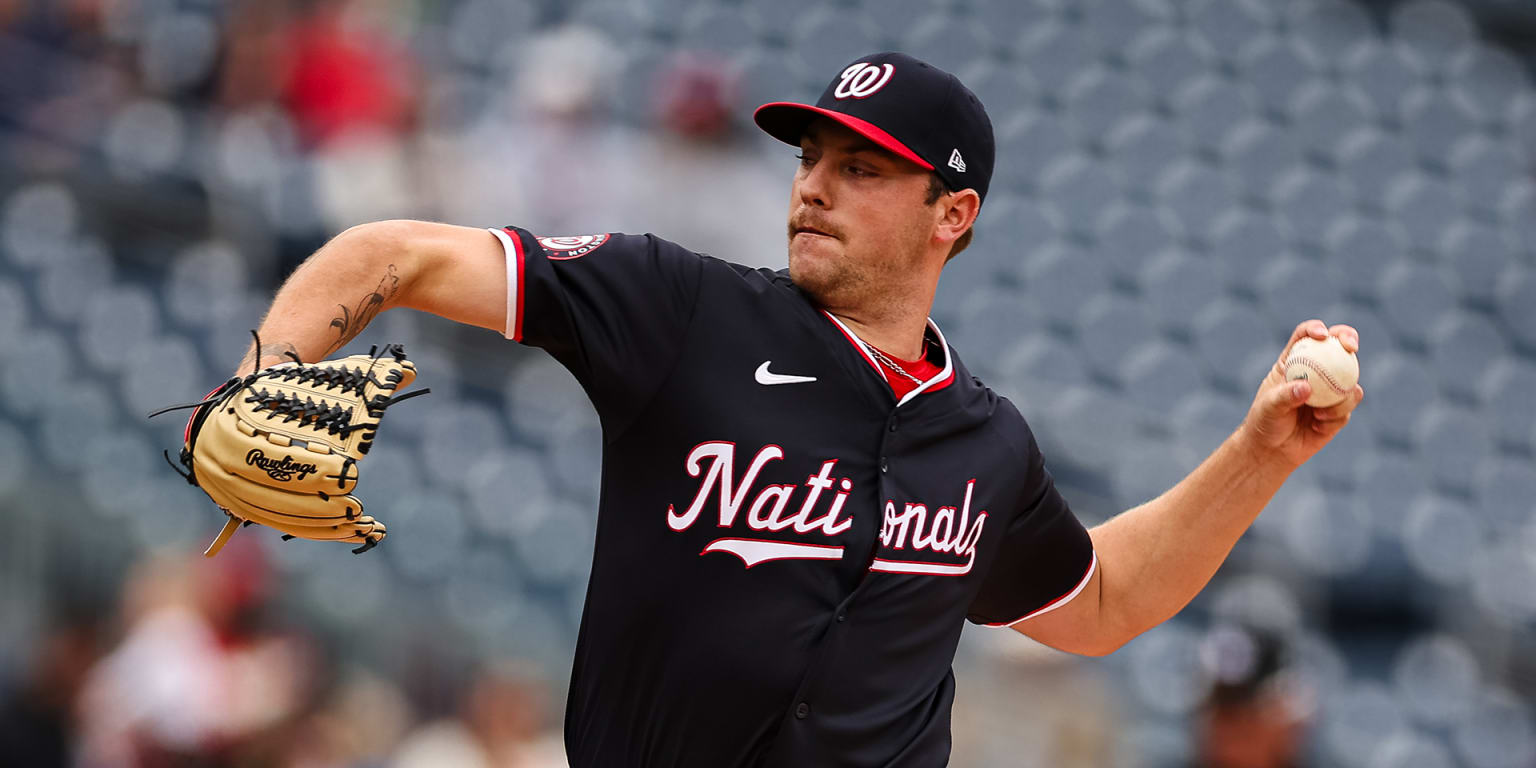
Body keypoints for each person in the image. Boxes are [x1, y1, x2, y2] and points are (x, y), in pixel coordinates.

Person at [224, 52, 1363, 767]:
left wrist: (1263, 451)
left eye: (863, 168)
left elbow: (1100, 599)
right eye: (811, 154)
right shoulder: (679, 309)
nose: (813, 181)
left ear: (951, 214)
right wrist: (261, 383)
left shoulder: (986, 441)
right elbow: (395, 254)